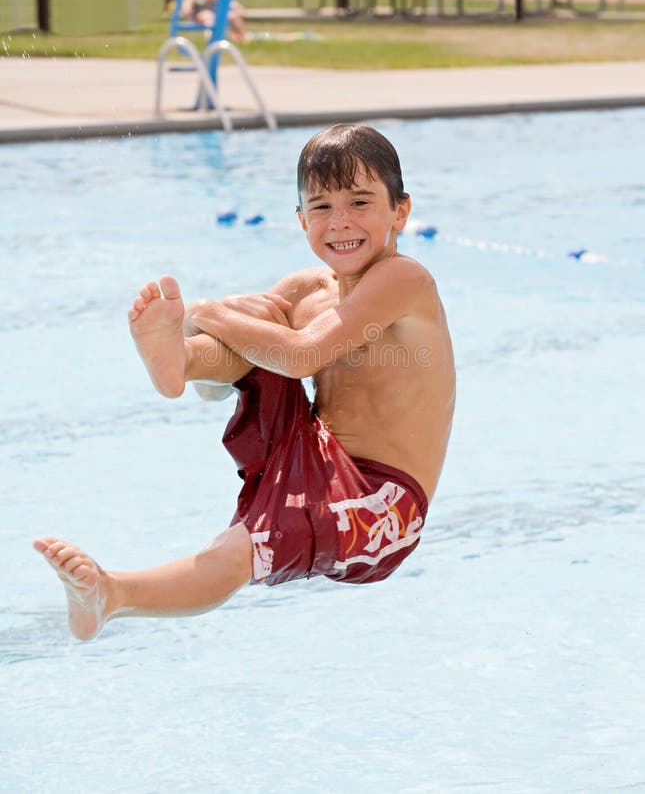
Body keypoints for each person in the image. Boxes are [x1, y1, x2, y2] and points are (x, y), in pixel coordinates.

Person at [33, 124, 456, 642]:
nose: (340, 222)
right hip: (314, 452)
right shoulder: (303, 291)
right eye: (321, 207)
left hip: (382, 500)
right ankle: (178, 359)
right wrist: (199, 343)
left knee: (237, 548)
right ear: (302, 221)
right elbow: (227, 384)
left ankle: (112, 593)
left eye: (360, 202)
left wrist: (207, 312)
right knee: (257, 340)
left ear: (400, 212)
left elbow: (305, 357)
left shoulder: (404, 278)